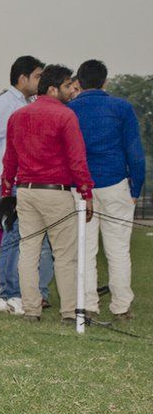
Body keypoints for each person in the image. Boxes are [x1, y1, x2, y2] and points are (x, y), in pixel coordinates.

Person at [0, 64, 94, 323]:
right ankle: (69, 312)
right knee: (64, 255)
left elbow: (9, 160)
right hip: (56, 192)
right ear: (53, 89)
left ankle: (31, 309)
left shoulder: (17, 116)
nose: (71, 91)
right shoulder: (65, 115)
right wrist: (86, 193)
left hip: (26, 191)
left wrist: (7, 191)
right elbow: (77, 160)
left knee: (28, 252)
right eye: (67, 86)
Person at [0, 56, 55, 314]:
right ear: (23, 78)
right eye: (37, 76)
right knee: (14, 236)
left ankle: (22, 293)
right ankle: (10, 294)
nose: (41, 81)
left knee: (30, 237)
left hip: (29, 180)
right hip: (9, 181)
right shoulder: (4, 105)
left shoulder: (30, 104)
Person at [69, 60, 145, 321]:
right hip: (115, 183)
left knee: (85, 248)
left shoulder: (70, 110)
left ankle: (89, 304)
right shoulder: (121, 107)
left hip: (81, 187)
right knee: (118, 248)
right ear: (105, 81)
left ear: (79, 83)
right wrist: (136, 186)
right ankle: (121, 306)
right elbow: (135, 152)